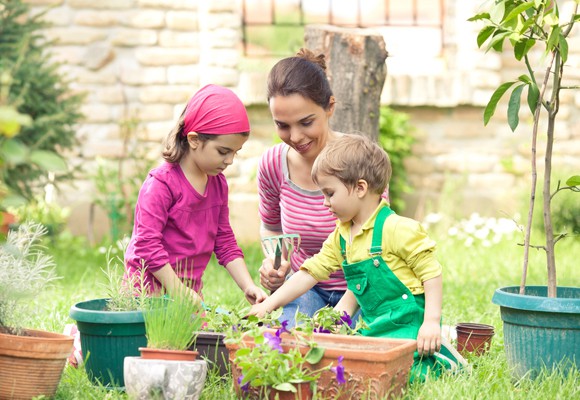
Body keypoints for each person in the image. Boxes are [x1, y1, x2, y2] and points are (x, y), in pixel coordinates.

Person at [250, 133, 465, 381]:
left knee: (406, 375)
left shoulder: (397, 228)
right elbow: (310, 273)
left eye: (330, 194)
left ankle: (444, 351)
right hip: (374, 325)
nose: (324, 203)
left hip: (409, 323)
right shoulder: (342, 236)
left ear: (360, 188)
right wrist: (268, 305)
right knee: (354, 370)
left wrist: (431, 322)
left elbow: (431, 273)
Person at [258, 48, 388, 327]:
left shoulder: (359, 161)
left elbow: (377, 246)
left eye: (306, 122)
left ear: (330, 107)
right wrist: (276, 263)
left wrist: (339, 317)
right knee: (290, 340)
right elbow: (271, 226)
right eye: (282, 125)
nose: (294, 137)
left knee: (365, 343)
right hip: (306, 287)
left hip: (361, 289)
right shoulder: (273, 164)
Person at [125, 84, 267, 306]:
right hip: (146, 296)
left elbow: (224, 240)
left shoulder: (217, 184)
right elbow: (146, 245)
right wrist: (177, 290)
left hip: (187, 297)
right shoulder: (161, 185)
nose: (229, 160)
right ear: (194, 140)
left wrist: (248, 285)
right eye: (223, 151)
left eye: (235, 153)